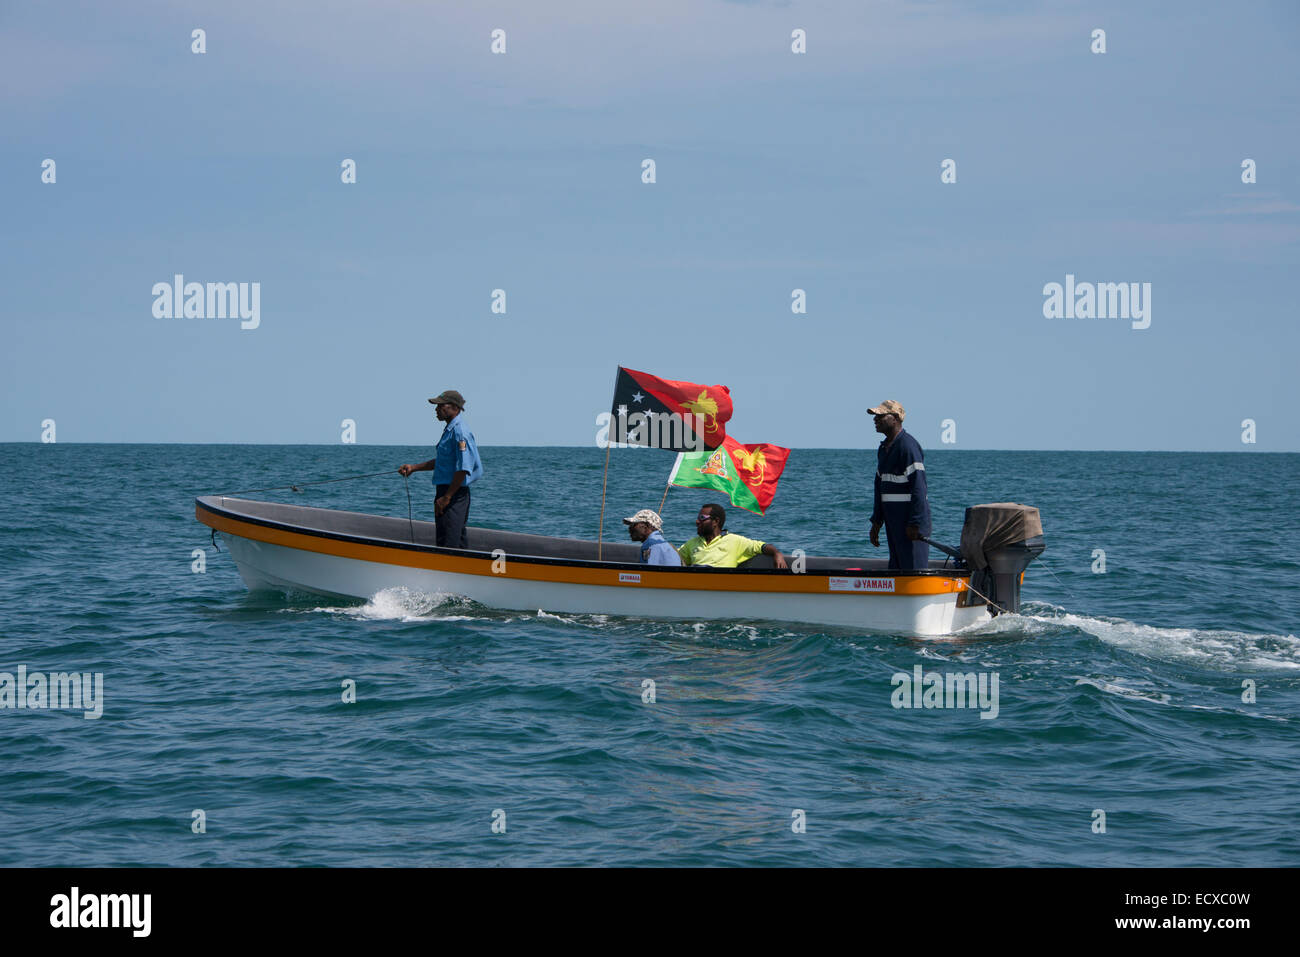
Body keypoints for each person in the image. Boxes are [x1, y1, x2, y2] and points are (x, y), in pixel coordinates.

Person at [397, 390, 483, 548]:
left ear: (454, 408)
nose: (436, 410)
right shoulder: (451, 430)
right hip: (448, 491)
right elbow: (445, 461)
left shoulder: (460, 432)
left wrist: (446, 498)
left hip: (453, 493)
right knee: (454, 539)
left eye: (440, 406)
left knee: (449, 541)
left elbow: (463, 468)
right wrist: (414, 468)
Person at [867, 400, 931, 570]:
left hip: (910, 522)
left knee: (912, 570)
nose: (875, 419)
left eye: (880, 416)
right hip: (892, 520)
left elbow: (919, 488)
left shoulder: (908, 447)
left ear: (895, 418)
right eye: (875, 416)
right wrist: (876, 522)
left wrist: (915, 523)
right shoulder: (884, 448)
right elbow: (879, 487)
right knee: (896, 569)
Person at [677, 503, 788, 569]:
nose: (697, 521)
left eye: (702, 518)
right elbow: (674, 556)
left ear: (715, 521)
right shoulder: (691, 543)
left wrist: (776, 553)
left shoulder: (734, 541)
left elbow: (760, 547)